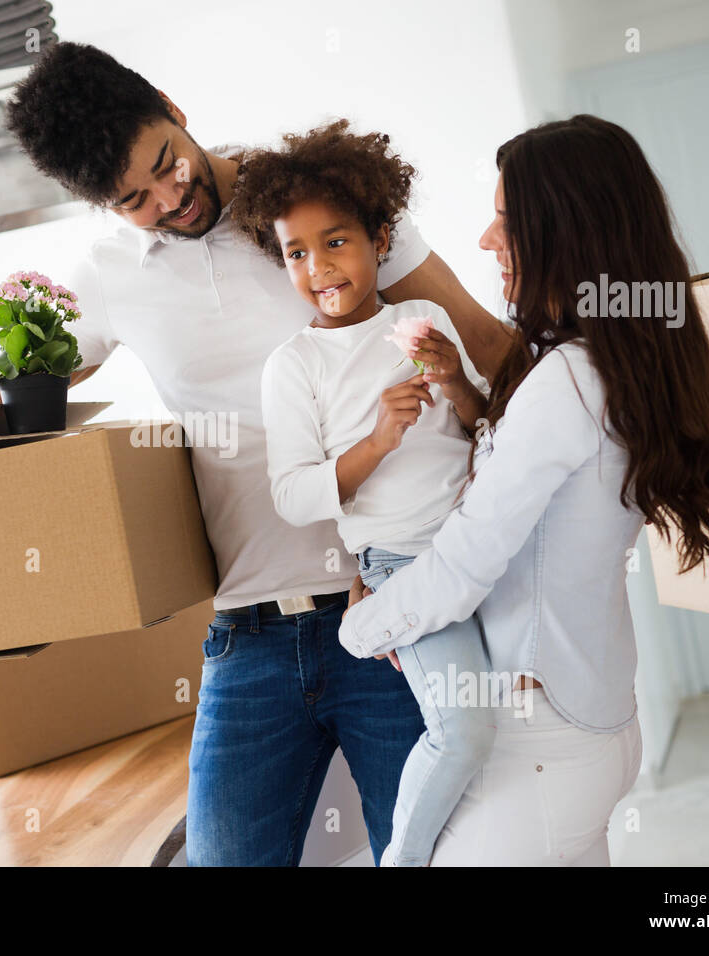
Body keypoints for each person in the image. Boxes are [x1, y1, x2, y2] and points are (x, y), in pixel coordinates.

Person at [0, 41, 513, 865]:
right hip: (250, 636)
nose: (171, 197)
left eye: (168, 162)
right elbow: (16, 411)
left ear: (173, 104)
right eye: (134, 198)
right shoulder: (105, 277)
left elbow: (482, 339)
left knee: (431, 856)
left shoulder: (314, 205)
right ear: (97, 204)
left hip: (391, 610)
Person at [337, 114, 709, 865]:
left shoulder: (566, 383)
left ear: (566, 232)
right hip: (592, 728)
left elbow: (463, 569)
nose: (489, 241)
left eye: (504, 221)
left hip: (538, 750)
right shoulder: (612, 366)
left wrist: (358, 631)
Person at [230, 120, 499, 867]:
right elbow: (292, 496)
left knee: (517, 730)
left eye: (336, 241)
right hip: (402, 567)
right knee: (466, 730)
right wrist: (378, 441)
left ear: (381, 239)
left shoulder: (427, 321)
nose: (319, 266)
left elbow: (482, 429)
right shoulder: (294, 365)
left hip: (482, 544)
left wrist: (452, 381)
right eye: (296, 252)